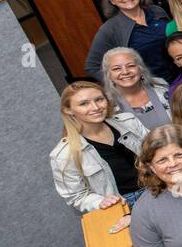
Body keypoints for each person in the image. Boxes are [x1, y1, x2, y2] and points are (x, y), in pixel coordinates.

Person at [50, 80, 148, 216]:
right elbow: (76, 196)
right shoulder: (64, 154)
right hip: (123, 206)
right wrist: (99, 202)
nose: (95, 107)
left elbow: (159, 152)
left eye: (99, 99)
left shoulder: (129, 122)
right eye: (84, 103)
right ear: (68, 110)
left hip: (158, 189)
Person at [85, 0, 171, 81]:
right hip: (152, 87)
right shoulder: (109, 29)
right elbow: (92, 66)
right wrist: (124, 83)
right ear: (111, 0)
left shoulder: (157, 11)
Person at [100, 46, 171, 129]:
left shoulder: (162, 86)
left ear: (140, 68)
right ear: (109, 75)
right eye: (116, 69)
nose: (125, 72)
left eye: (131, 66)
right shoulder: (106, 104)